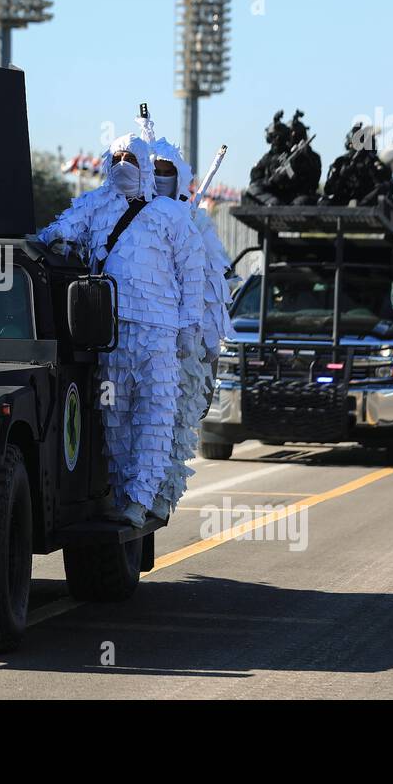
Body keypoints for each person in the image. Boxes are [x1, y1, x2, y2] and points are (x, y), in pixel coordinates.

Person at [37, 113, 206, 527]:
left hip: (159, 335)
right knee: (115, 415)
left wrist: (189, 328)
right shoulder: (95, 205)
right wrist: (46, 240)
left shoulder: (171, 215)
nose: (123, 165)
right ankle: (122, 491)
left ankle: (141, 498)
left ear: (145, 164)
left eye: (131, 158)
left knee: (155, 416)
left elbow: (192, 274)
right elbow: (61, 231)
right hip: (110, 334)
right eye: (117, 158)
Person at [152, 144, 233, 515]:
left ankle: (158, 501)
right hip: (137, 342)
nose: (160, 177)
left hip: (184, 349)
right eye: (155, 170)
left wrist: (210, 351)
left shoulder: (196, 223)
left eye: (167, 171)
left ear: (180, 177)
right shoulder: (130, 219)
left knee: (175, 427)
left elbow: (212, 291)